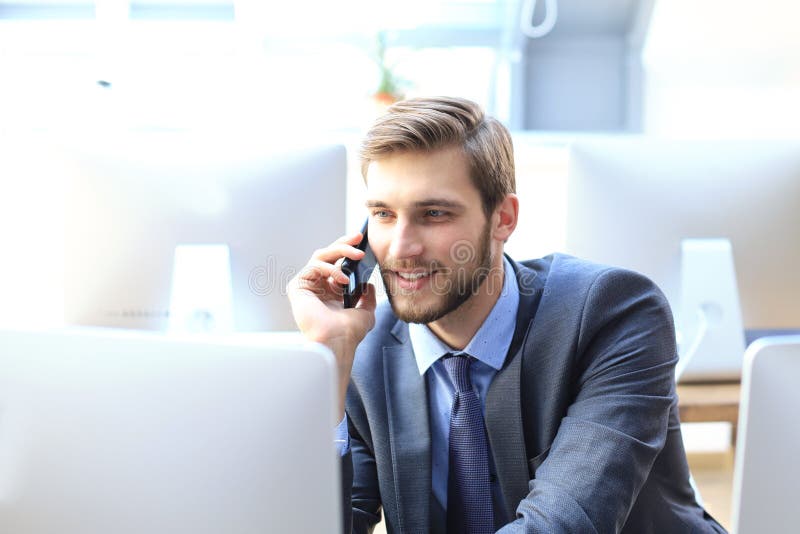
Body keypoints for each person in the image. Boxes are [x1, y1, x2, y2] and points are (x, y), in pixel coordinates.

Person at [287, 96, 726, 533]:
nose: (401, 248)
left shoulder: (616, 314)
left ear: (503, 218)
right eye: (383, 214)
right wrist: (331, 361)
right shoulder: (364, 354)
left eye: (434, 213)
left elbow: (561, 526)